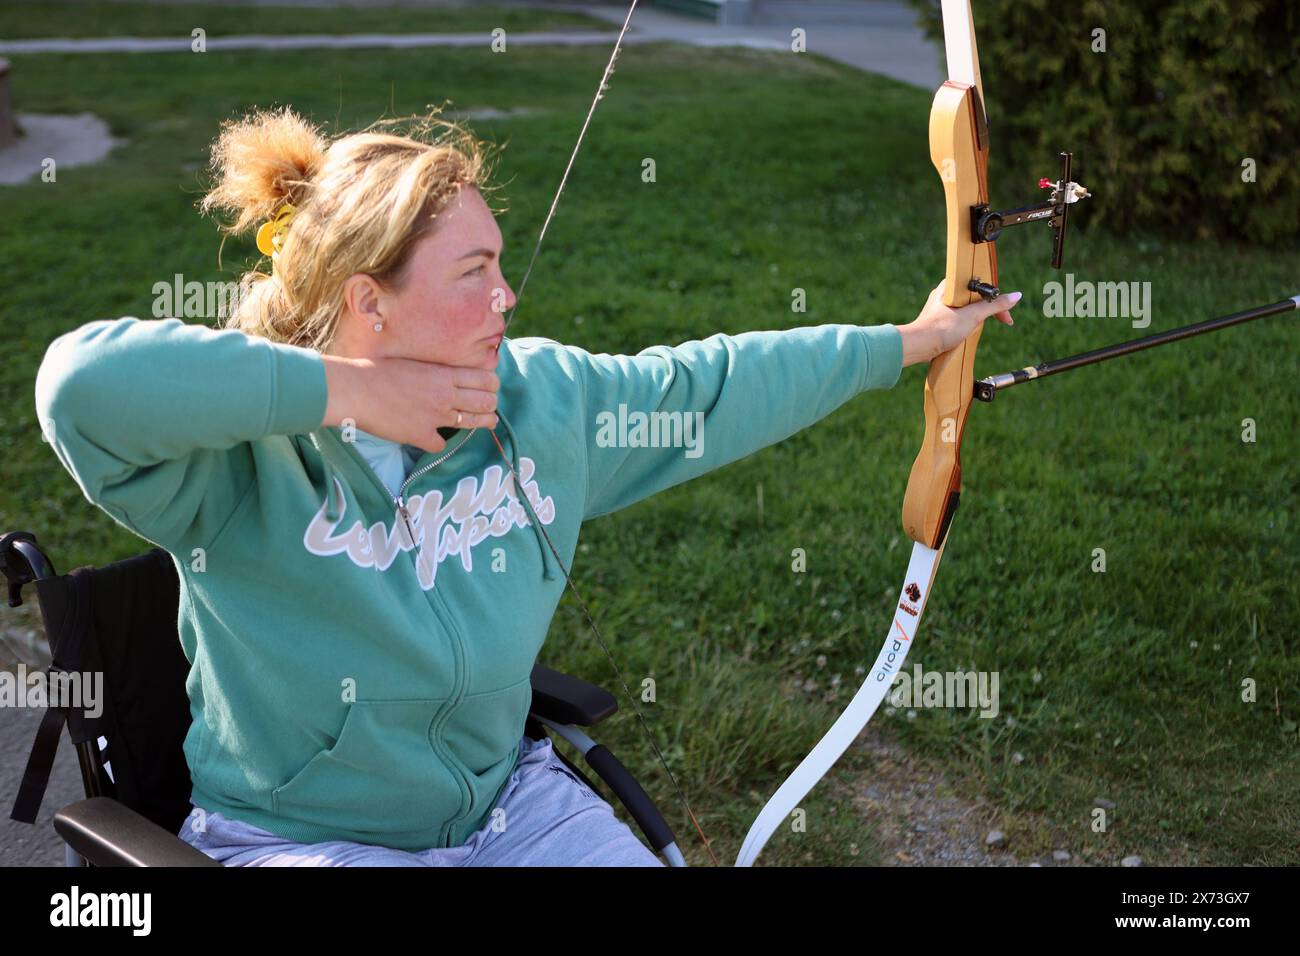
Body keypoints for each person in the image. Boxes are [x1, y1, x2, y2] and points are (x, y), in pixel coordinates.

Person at [33, 106, 1018, 866]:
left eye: (501, 262)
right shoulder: (234, 458)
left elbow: (712, 386)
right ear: (367, 299)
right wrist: (356, 394)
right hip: (302, 837)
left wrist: (907, 343)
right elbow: (79, 384)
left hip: (510, 805)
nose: (507, 296)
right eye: (474, 270)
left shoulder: (533, 399)